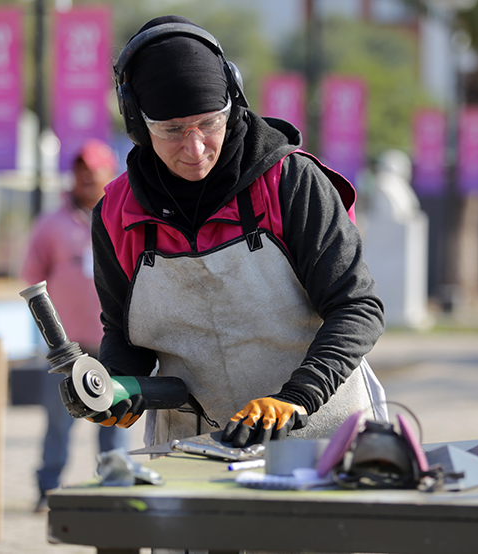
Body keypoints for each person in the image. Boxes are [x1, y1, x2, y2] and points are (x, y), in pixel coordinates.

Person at [89, 16, 387, 450]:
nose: (195, 149)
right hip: (194, 447)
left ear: (234, 101)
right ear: (136, 121)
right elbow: (123, 332)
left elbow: (357, 306)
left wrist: (297, 398)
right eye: (172, 131)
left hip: (322, 434)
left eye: (210, 123)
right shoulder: (116, 214)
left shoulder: (290, 183)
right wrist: (113, 382)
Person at [21, 139, 128, 513]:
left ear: (108, 174)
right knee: (58, 422)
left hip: (116, 345)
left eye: (94, 169)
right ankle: (48, 490)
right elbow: (32, 278)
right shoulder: (51, 224)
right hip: (66, 350)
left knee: (114, 421)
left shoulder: (123, 219)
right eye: (80, 168)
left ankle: (113, 490)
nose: (86, 176)